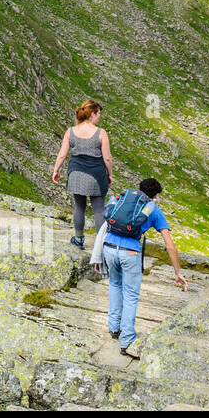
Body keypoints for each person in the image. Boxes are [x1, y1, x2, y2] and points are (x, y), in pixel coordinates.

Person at [100, 177, 188, 358]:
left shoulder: (123, 199)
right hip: (130, 252)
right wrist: (177, 272)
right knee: (131, 294)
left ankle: (113, 327)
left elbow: (106, 225)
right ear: (155, 195)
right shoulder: (153, 210)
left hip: (108, 247)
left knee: (115, 285)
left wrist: (98, 257)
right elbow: (170, 245)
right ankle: (127, 340)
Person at [51, 99, 113, 249]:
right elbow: (107, 158)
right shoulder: (100, 132)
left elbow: (62, 154)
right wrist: (110, 174)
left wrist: (56, 170)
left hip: (76, 174)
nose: (99, 117)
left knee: (79, 207)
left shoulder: (70, 131)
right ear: (92, 114)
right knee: (99, 209)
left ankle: (78, 239)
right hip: (96, 175)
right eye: (98, 114)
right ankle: (101, 245)